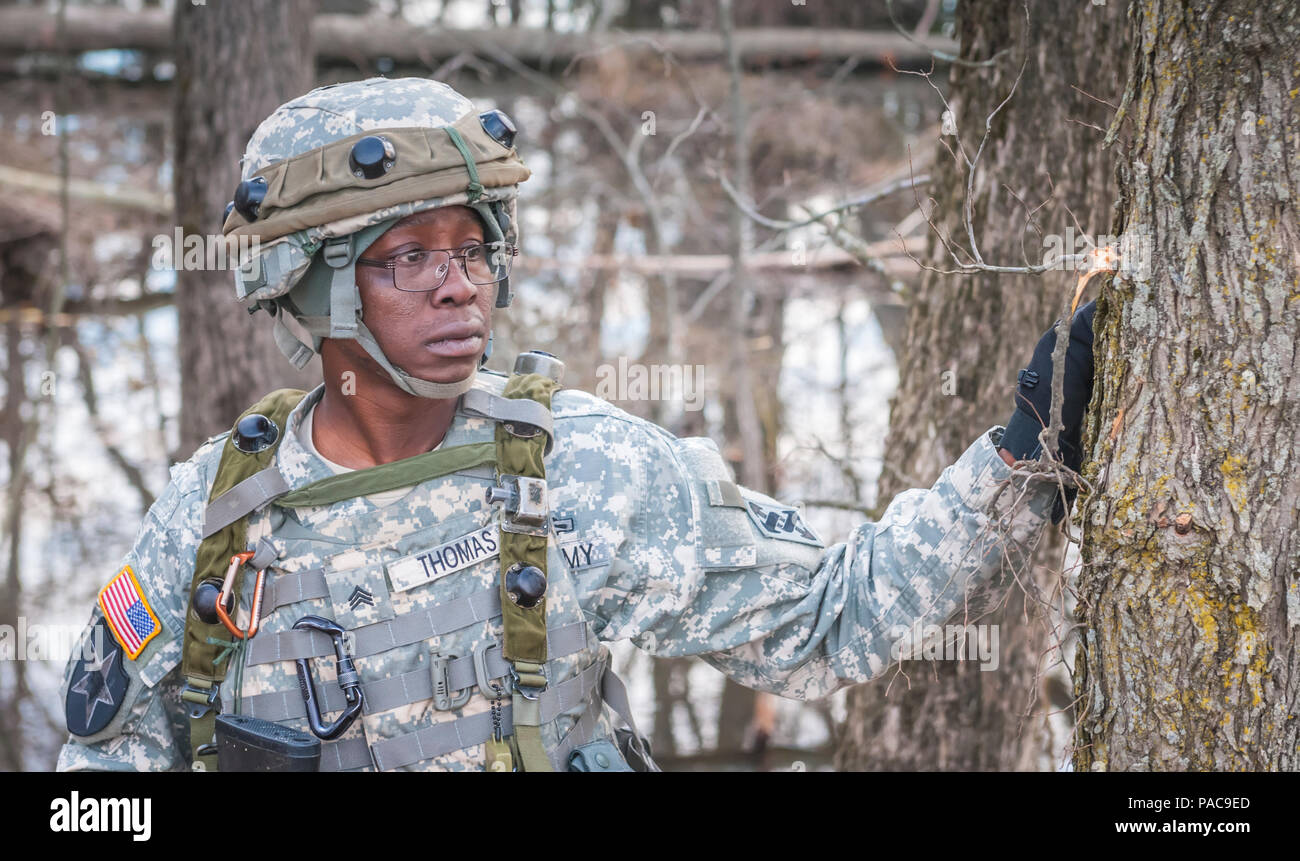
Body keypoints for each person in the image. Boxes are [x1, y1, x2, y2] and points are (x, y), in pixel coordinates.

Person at [56, 77, 1095, 772]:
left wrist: (1020, 454)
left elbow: (826, 627)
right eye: (407, 256)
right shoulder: (216, 515)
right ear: (314, 288)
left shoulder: (582, 470)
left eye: (472, 250)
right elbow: (100, 772)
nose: (459, 288)